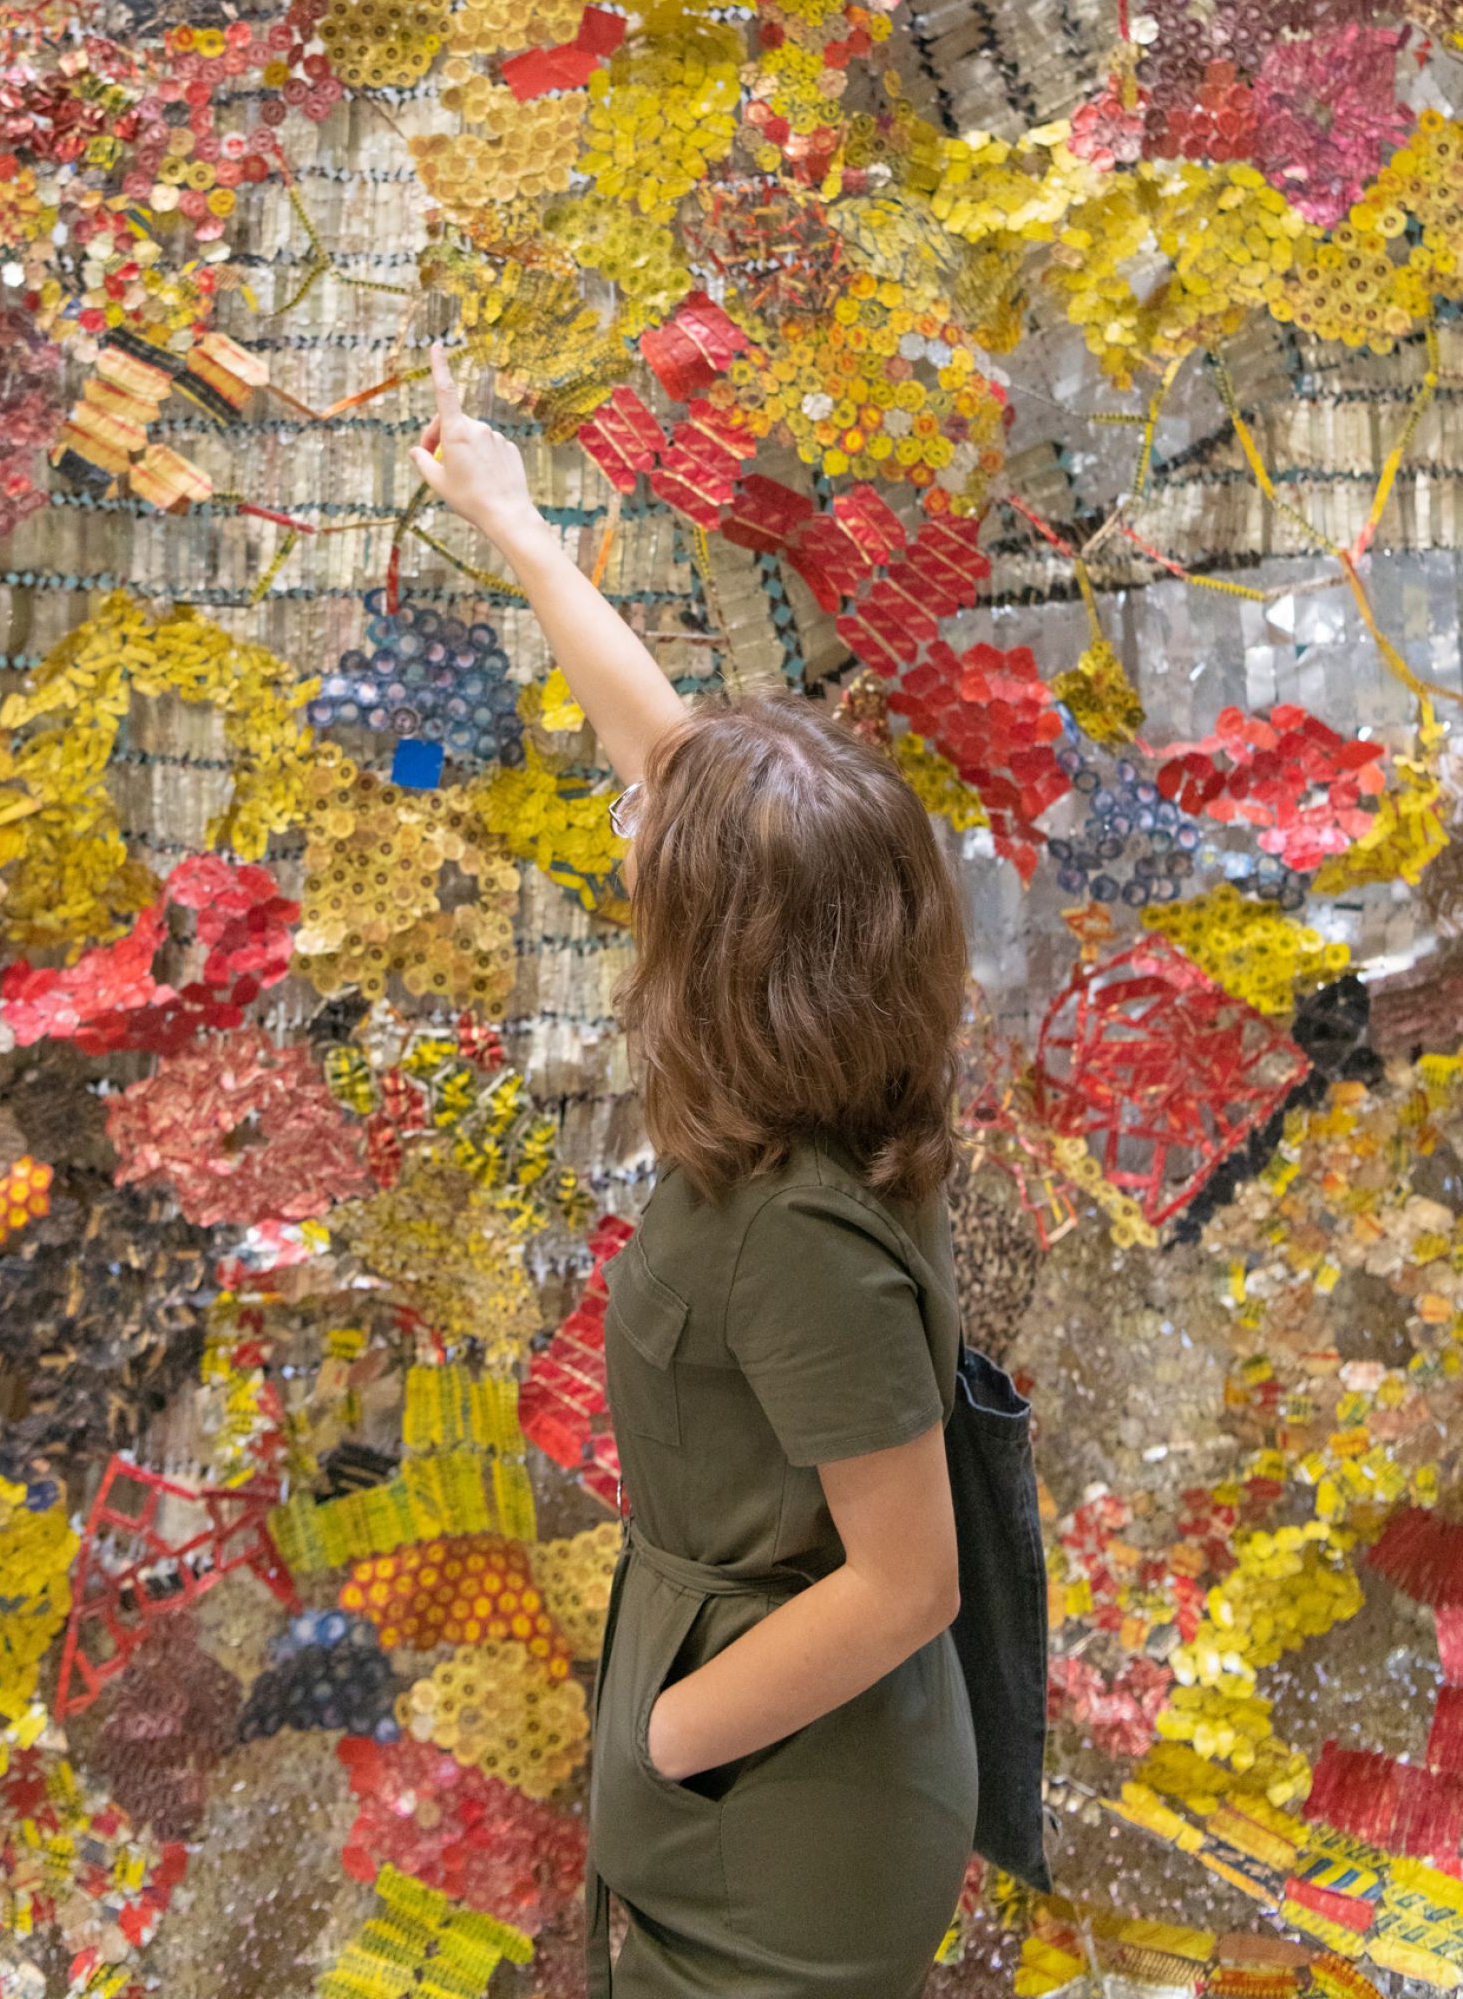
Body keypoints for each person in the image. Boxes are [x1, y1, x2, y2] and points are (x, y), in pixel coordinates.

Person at [412, 342, 977, 1999]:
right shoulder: (838, 1054)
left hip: (787, 1849)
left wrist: (664, 1737)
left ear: (730, 959)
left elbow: (907, 1581)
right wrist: (512, 522)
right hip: (753, 1791)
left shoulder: (801, 1225)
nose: (627, 821)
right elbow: (659, 751)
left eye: (660, 844)